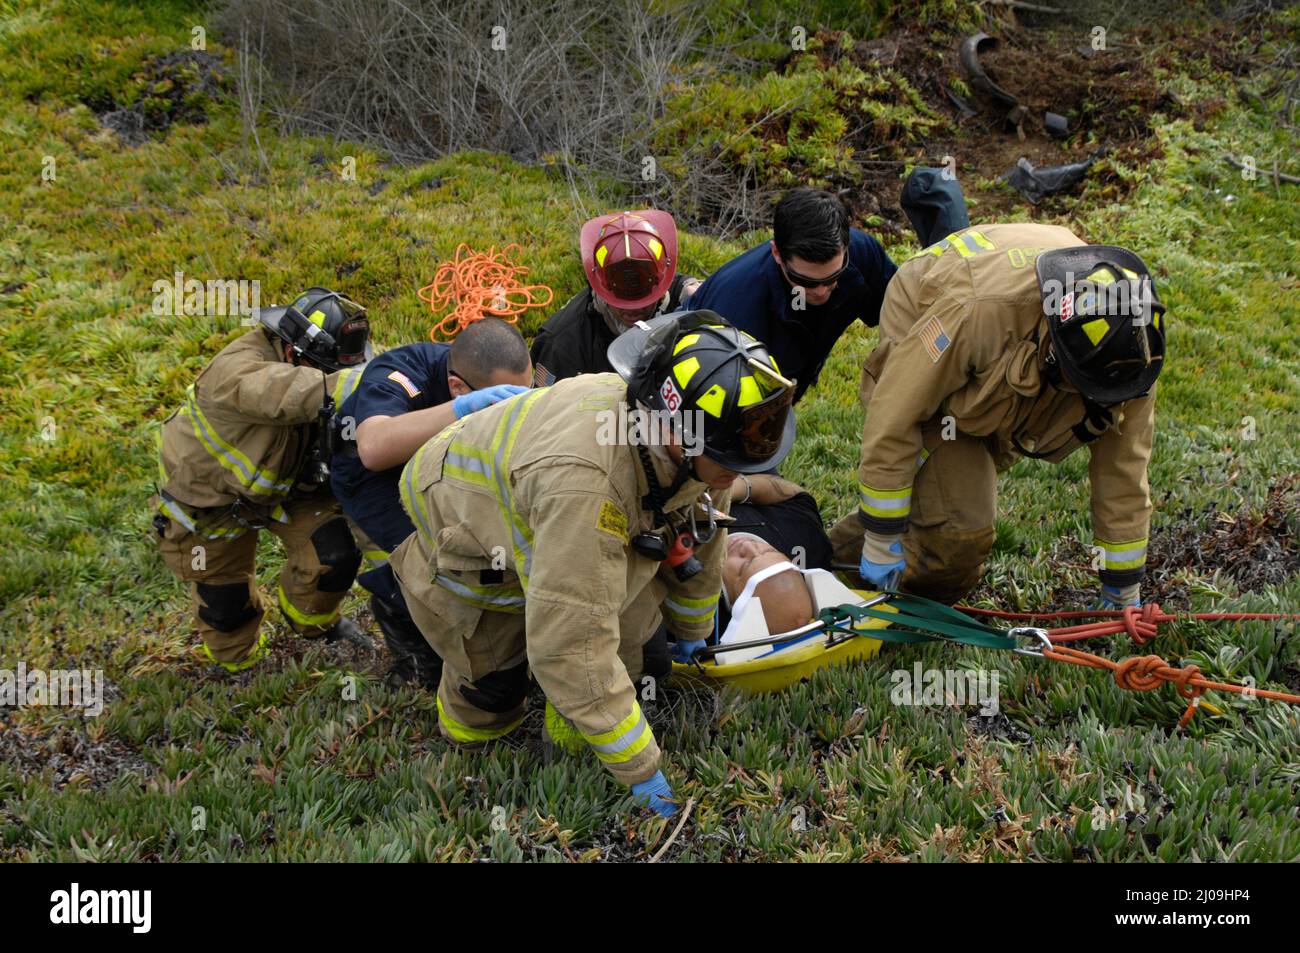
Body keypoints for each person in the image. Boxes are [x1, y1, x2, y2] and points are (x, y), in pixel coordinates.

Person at [389, 311, 795, 817]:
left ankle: (573, 717)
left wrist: (694, 628)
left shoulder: (690, 442)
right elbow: (569, 644)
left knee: (641, 654)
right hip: (471, 544)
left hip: (562, 523)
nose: (737, 474)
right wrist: (642, 769)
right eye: (731, 461)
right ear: (680, 437)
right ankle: (470, 752)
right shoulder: (587, 484)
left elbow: (704, 521)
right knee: (496, 683)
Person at [836, 224, 1166, 608]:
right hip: (929, 303)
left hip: (995, 345)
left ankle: (859, 569)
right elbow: (897, 411)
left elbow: (1124, 469)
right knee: (961, 528)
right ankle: (873, 595)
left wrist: (1123, 585)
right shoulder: (973, 312)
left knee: (950, 489)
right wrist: (879, 537)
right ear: (1057, 345)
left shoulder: (1132, 352)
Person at [152, 287, 372, 671]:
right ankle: (238, 664)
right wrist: (360, 385)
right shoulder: (235, 370)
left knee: (335, 554)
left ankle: (314, 625)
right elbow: (286, 392)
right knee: (225, 604)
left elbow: (365, 373)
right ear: (291, 351)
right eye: (328, 370)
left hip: (290, 489)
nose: (335, 376)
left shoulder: (331, 361)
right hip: (209, 504)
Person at [329, 318, 533, 687]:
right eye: (502, 399)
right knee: (421, 569)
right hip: (376, 479)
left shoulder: (495, 377)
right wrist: (465, 409)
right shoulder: (399, 373)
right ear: (457, 387)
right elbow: (374, 448)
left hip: (446, 467)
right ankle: (405, 635)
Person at [687, 187, 897, 403]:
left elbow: (902, 315)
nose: (821, 291)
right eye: (806, 281)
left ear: (846, 247)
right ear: (777, 253)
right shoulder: (734, 308)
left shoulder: (864, 255)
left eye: (833, 276)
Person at [528, 209, 700, 385]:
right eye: (622, 303)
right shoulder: (562, 345)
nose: (634, 310)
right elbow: (551, 407)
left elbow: (677, 283)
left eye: (644, 300)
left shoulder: (679, 292)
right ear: (601, 287)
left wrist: (697, 292)